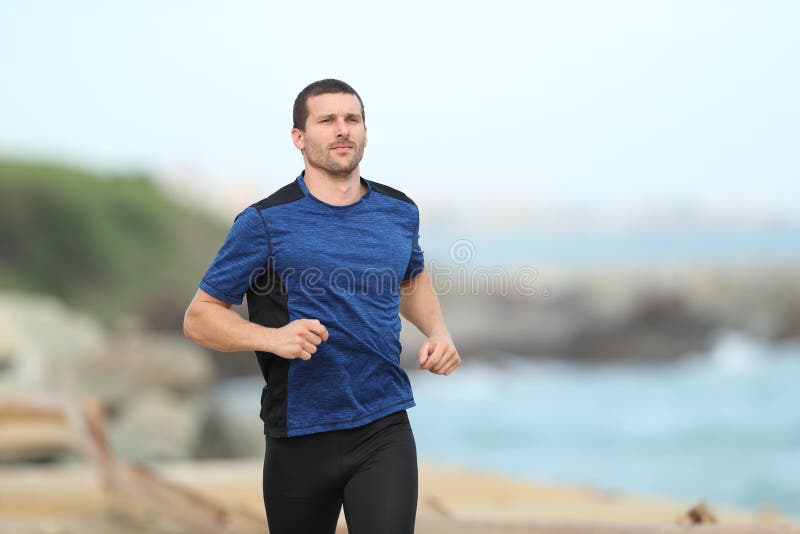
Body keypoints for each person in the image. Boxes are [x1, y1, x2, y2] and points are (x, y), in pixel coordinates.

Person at [183, 78, 461, 534]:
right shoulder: (263, 222)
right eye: (327, 120)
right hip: (298, 434)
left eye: (352, 119)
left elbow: (410, 278)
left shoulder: (399, 212)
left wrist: (438, 332)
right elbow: (199, 317)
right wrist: (272, 338)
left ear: (366, 132)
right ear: (299, 137)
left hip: (383, 425)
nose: (342, 130)